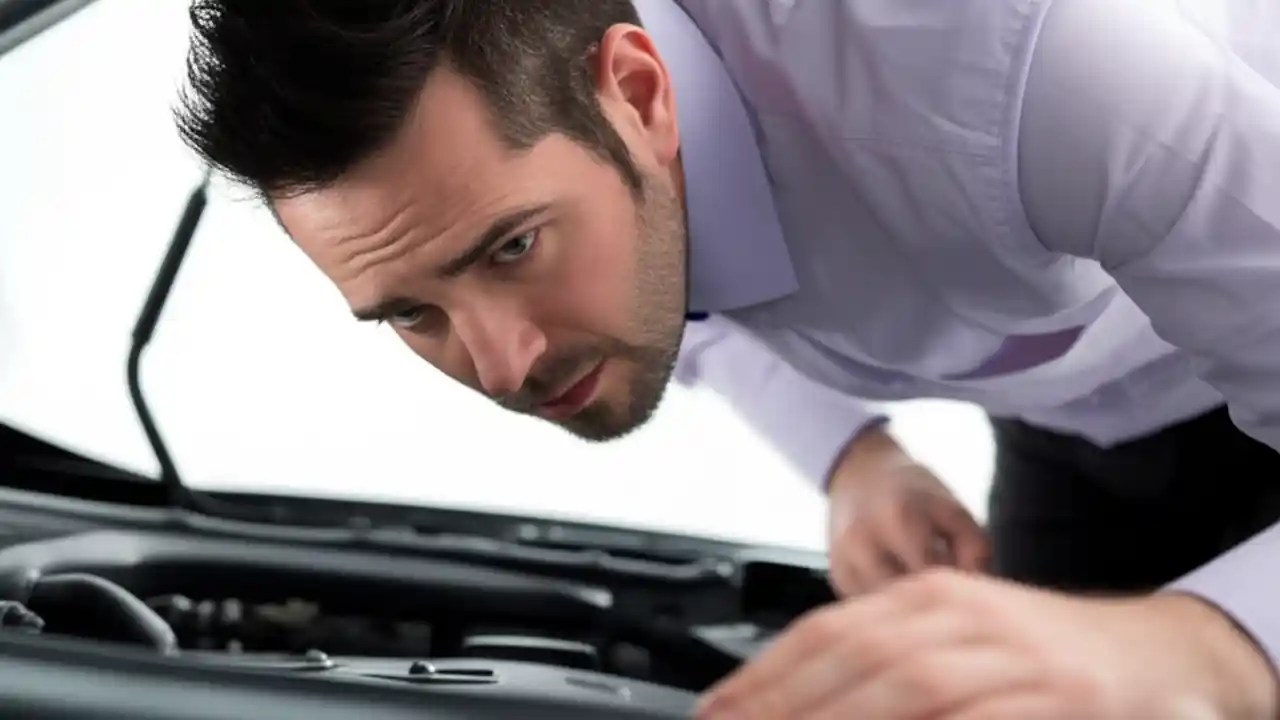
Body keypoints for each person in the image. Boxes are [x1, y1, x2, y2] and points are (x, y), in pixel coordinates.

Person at [174, 0, 1280, 716]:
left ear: (640, 93)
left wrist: (1204, 653)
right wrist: (853, 458)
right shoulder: (591, 156)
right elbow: (680, 294)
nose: (501, 367)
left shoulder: (1024, 68)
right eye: (414, 313)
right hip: (1064, 422)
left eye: (512, 249)